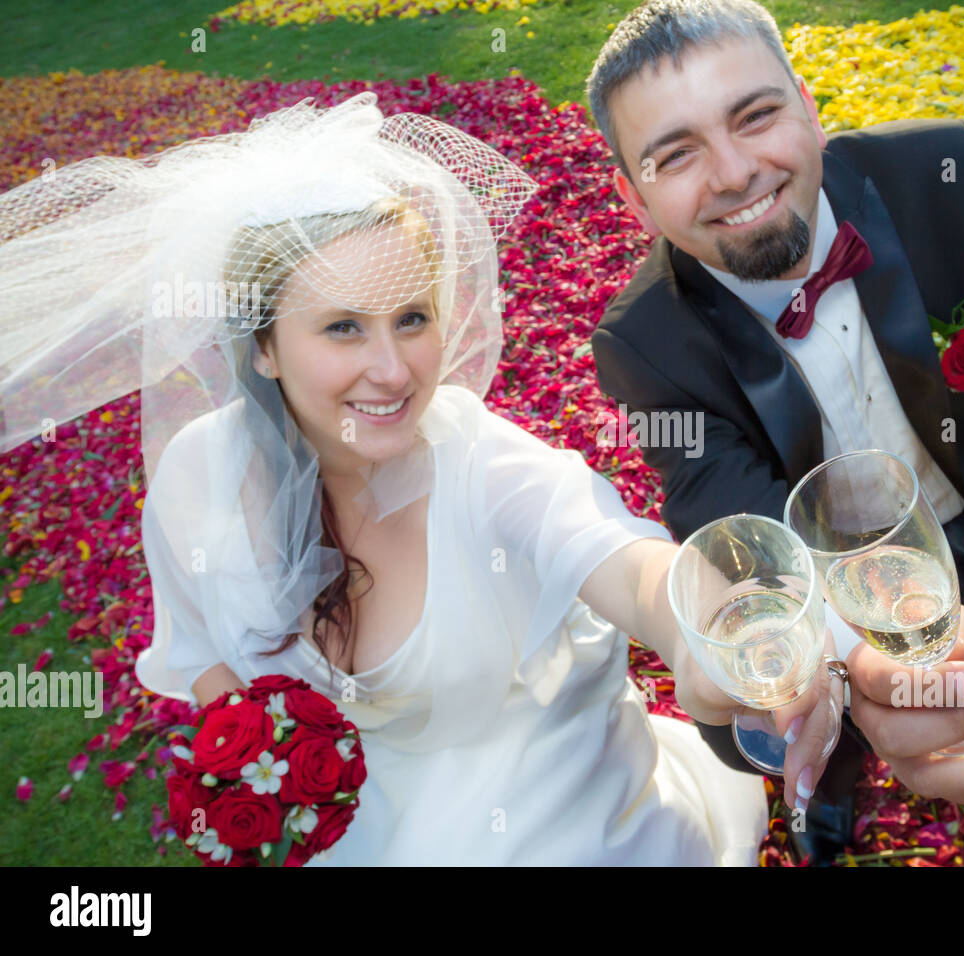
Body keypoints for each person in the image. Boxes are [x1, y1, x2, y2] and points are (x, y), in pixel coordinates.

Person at [0, 91, 867, 865]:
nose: (393, 369)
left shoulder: (485, 465)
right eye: (342, 327)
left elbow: (626, 563)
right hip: (367, 816)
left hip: (553, 812)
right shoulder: (200, 476)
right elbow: (200, 653)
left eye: (411, 318)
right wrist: (251, 756)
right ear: (261, 346)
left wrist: (709, 631)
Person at [585, 0, 964, 862]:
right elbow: (741, 543)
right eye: (676, 154)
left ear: (809, 107)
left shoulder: (945, 174)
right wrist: (858, 680)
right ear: (632, 197)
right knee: (744, 712)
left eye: (755, 116)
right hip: (824, 585)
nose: (734, 172)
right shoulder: (644, 345)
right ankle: (833, 772)